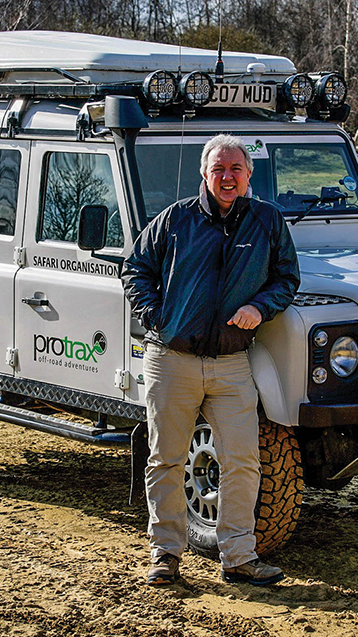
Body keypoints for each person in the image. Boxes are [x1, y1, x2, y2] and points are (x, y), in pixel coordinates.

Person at [121, 134, 300, 586]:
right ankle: (165, 555)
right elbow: (135, 269)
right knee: (166, 458)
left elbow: (287, 277)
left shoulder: (267, 221)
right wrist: (158, 317)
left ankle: (239, 557)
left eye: (236, 169)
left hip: (232, 362)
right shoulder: (175, 220)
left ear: (248, 175)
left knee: (243, 460)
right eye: (218, 169)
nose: (227, 177)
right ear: (205, 174)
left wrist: (261, 307)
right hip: (171, 359)